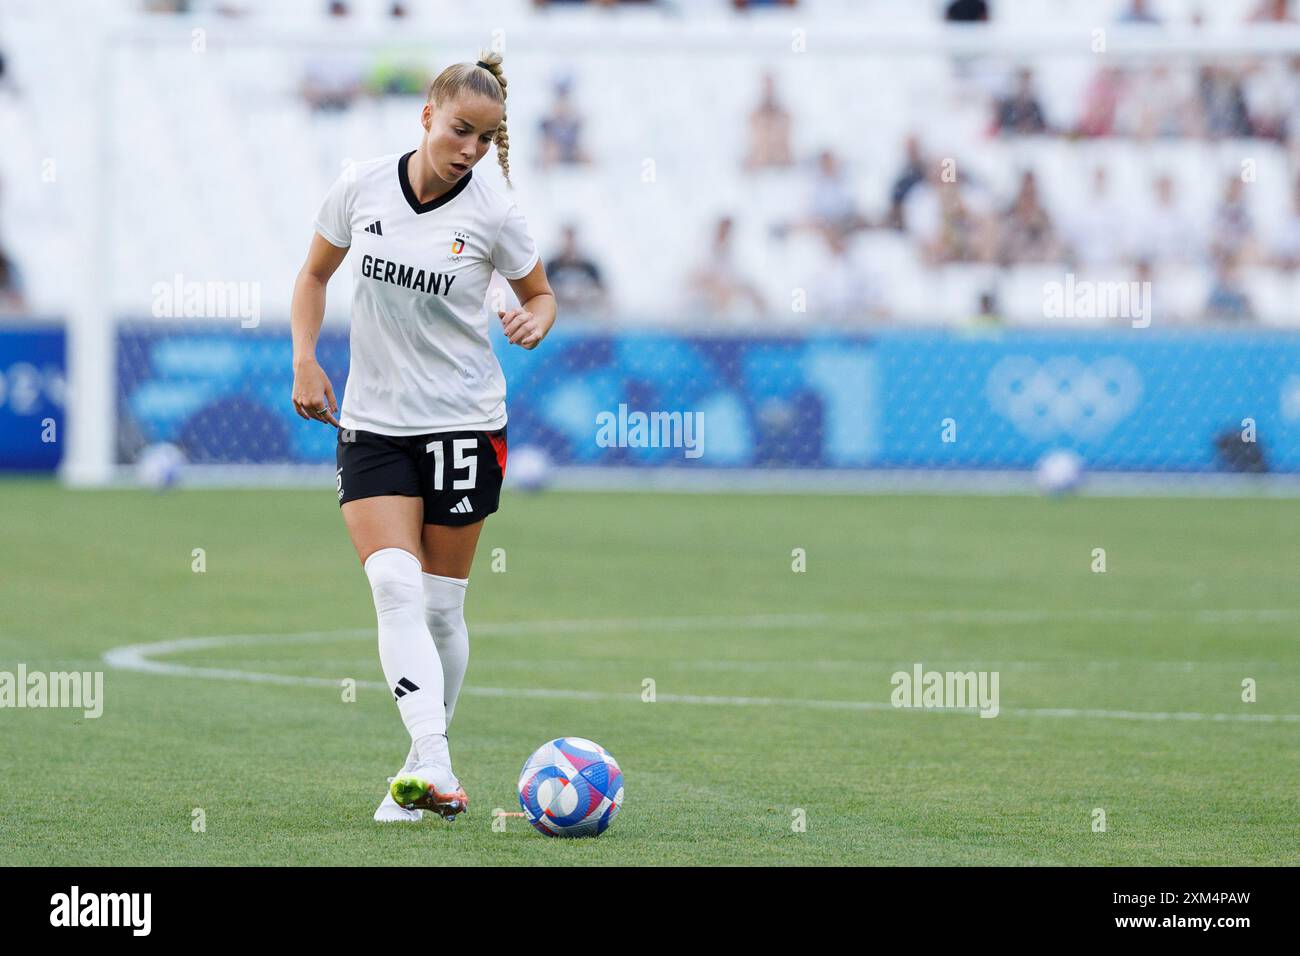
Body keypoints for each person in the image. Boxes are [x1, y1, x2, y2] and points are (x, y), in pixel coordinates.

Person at [289, 50, 557, 824]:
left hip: (465, 422)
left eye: (485, 137)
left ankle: (415, 773)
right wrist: (305, 359)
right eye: (459, 131)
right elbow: (312, 276)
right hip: (374, 425)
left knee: (440, 608)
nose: (469, 149)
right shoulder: (362, 187)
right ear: (427, 117)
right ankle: (436, 760)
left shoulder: (497, 213)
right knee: (393, 587)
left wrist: (530, 322)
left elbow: (542, 296)